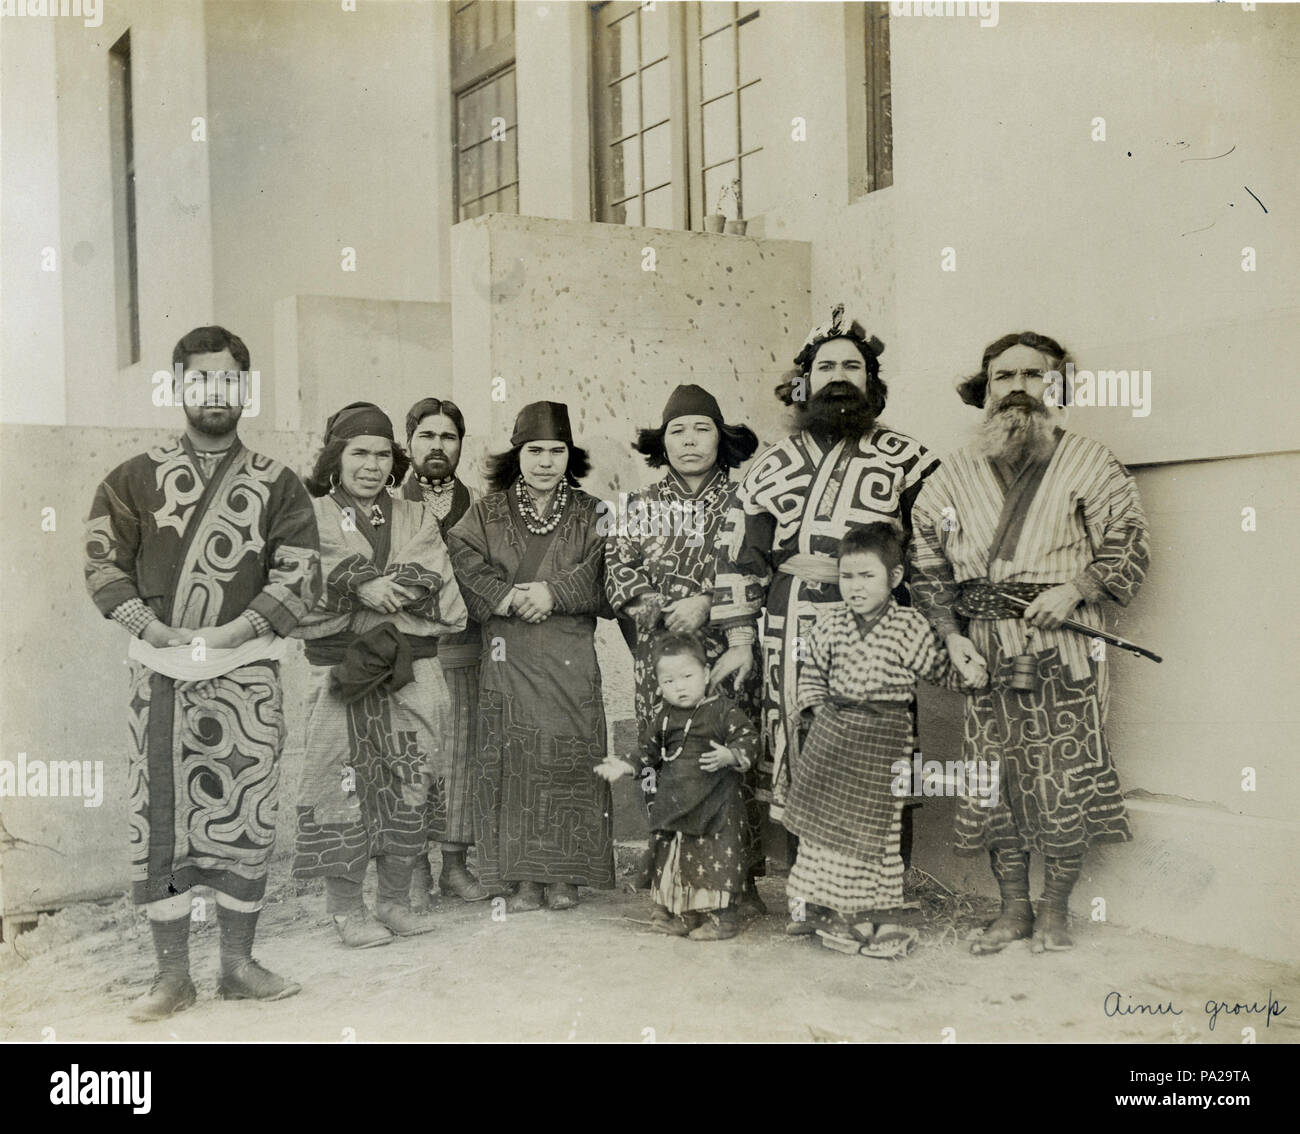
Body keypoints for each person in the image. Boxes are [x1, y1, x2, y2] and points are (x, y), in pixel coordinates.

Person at [83, 325, 321, 1020]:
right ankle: (172, 978)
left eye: (228, 380)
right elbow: (102, 562)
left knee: (245, 809)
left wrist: (231, 633)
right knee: (160, 821)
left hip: (246, 674)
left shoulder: (281, 486)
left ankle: (239, 965)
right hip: (158, 675)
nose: (215, 393)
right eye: (201, 379)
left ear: (244, 389)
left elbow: (299, 570)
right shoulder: (131, 478)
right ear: (179, 386)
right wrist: (151, 628)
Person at [910, 331, 1150, 954]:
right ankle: (1012, 909)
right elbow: (928, 563)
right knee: (994, 780)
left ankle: (1055, 910)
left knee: (1063, 775)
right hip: (984, 651)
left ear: (1056, 386)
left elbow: (1128, 543)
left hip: (1064, 646)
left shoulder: (1091, 462)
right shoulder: (952, 474)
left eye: (1033, 375)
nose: (1017, 388)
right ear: (984, 391)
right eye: (1002, 377)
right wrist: (952, 637)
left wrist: (1074, 589)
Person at [710, 304, 940, 860]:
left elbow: (935, 550)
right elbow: (740, 554)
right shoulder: (771, 463)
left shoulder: (910, 460)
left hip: (878, 628)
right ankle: (807, 890)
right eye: (826, 367)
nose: (839, 376)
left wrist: (938, 628)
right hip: (790, 626)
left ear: (871, 384)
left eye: (853, 367)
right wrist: (740, 640)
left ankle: (877, 888)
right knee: (798, 739)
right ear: (803, 385)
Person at [291, 402, 468, 948]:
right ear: (335, 459)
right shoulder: (310, 514)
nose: (370, 464)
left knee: (410, 778)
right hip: (342, 674)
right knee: (342, 783)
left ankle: (393, 902)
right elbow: (300, 584)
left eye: (380, 453)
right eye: (357, 452)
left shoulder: (415, 514)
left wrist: (368, 593)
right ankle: (347, 910)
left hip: (413, 670)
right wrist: (360, 584)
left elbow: (439, 583)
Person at [446, 401, 615, 911]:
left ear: (570, 454)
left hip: (567, 648)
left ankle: (565, 876)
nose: (545, 460)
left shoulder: (595, 512)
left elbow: (609, 567)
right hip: (507, 646)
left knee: (570, 750)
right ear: (517, 454)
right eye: (534, 450)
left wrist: (554, 595)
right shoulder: (487, 512)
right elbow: (462, 558)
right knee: (513, 754)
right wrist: (506, 596)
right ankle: (520, 879)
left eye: (556, 450)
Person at [604, 384, 765, 912]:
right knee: (668, 762)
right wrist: (659, 603)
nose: (690, 441)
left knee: (727, 760)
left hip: (728, 657)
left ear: (722, 437)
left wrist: (709, 604)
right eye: (678, 430)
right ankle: (673, 884)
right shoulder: (637, 506)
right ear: (662, 440)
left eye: (703, 428)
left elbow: (764, 567)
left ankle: (741, 886)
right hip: (664, 664)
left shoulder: (750, 501)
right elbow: (617, 572)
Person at [785, 524, 979, 958]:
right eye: (847, 577)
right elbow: (811, 678)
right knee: (829, 837)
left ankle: (882, 921)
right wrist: (818, 716)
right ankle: (835, 916)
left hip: (885, 739)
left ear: (894, 578)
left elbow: (938, 670)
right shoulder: (828, 624)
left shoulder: (908, 625)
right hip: (833, 740)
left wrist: (971, 676)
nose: (855, 587)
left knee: (878, 838)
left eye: (866, 576)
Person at [596, 633, 760, 941]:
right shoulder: (663, 716)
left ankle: (722, 919)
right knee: (678, 864)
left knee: (713, 864)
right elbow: (648, 751)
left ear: (706, 673)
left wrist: (730, 754)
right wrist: (626, 765)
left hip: (716, 809)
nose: (679, 687)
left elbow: (750, 740)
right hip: (676, 805)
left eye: (687, 676)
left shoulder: (724, 711)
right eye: (669, 681)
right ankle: (683, 916)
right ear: (659, 684)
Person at [400, 396, 489, 904]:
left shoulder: (478, 503)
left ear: (460, 445)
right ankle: (412, 867)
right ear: (409, 442)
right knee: (412, 755)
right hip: (406, 652)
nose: (438, 446)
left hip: (463, 648)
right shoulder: (389, 500)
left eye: (448, 437)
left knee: (460, 756)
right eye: (427, 436)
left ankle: (455, 864)